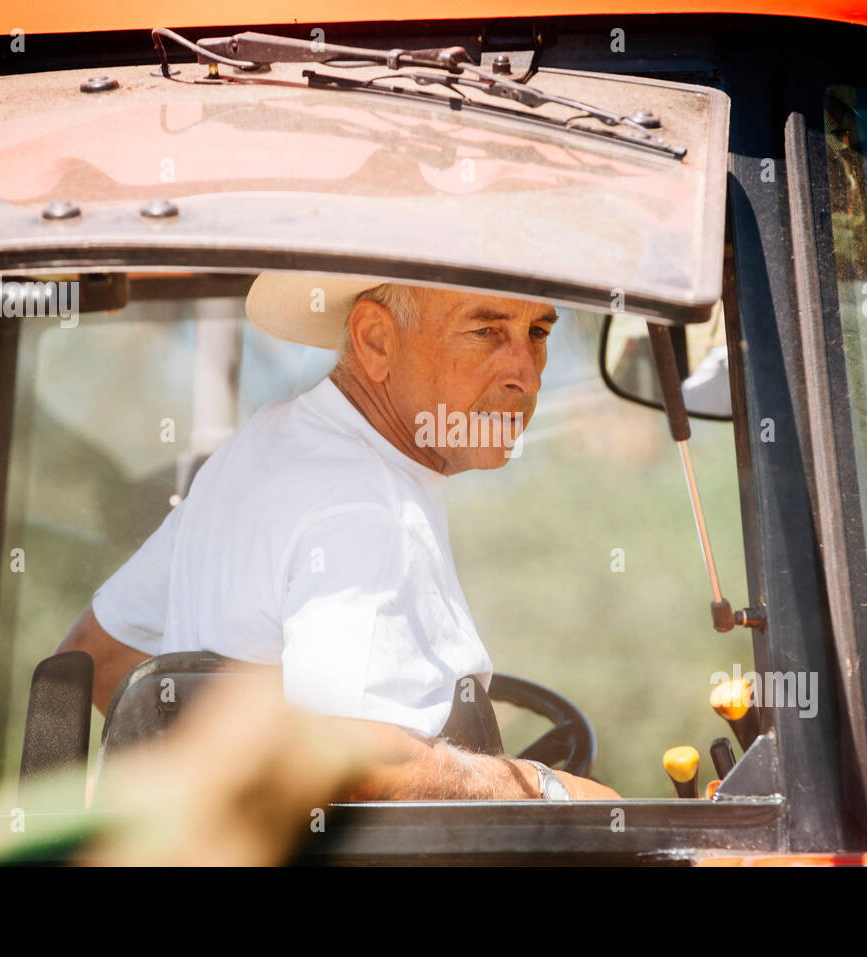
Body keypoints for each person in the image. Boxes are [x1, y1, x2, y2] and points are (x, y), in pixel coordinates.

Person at [56, 273, 619, 801]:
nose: (528, 373)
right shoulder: (366, 501)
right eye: (486, 330)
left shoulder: (258, 451)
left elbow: (98, 656)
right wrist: (551, 790)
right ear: (376, 339)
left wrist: (209, 807)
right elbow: (346, 761)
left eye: (539, 332)